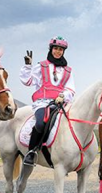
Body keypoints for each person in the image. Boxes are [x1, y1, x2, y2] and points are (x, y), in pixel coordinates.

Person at [20, 37, 76, 166]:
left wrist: (62, 95)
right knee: (40, 123)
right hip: (43, 103)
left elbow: (71, 89)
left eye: (61, 49)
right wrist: (28, 66)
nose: (58, 51)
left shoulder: (68, 71)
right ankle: (32, 152)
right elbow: (27, 81)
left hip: (61, 103)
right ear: (51, 49)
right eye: (56, 48)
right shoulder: (41, 66)